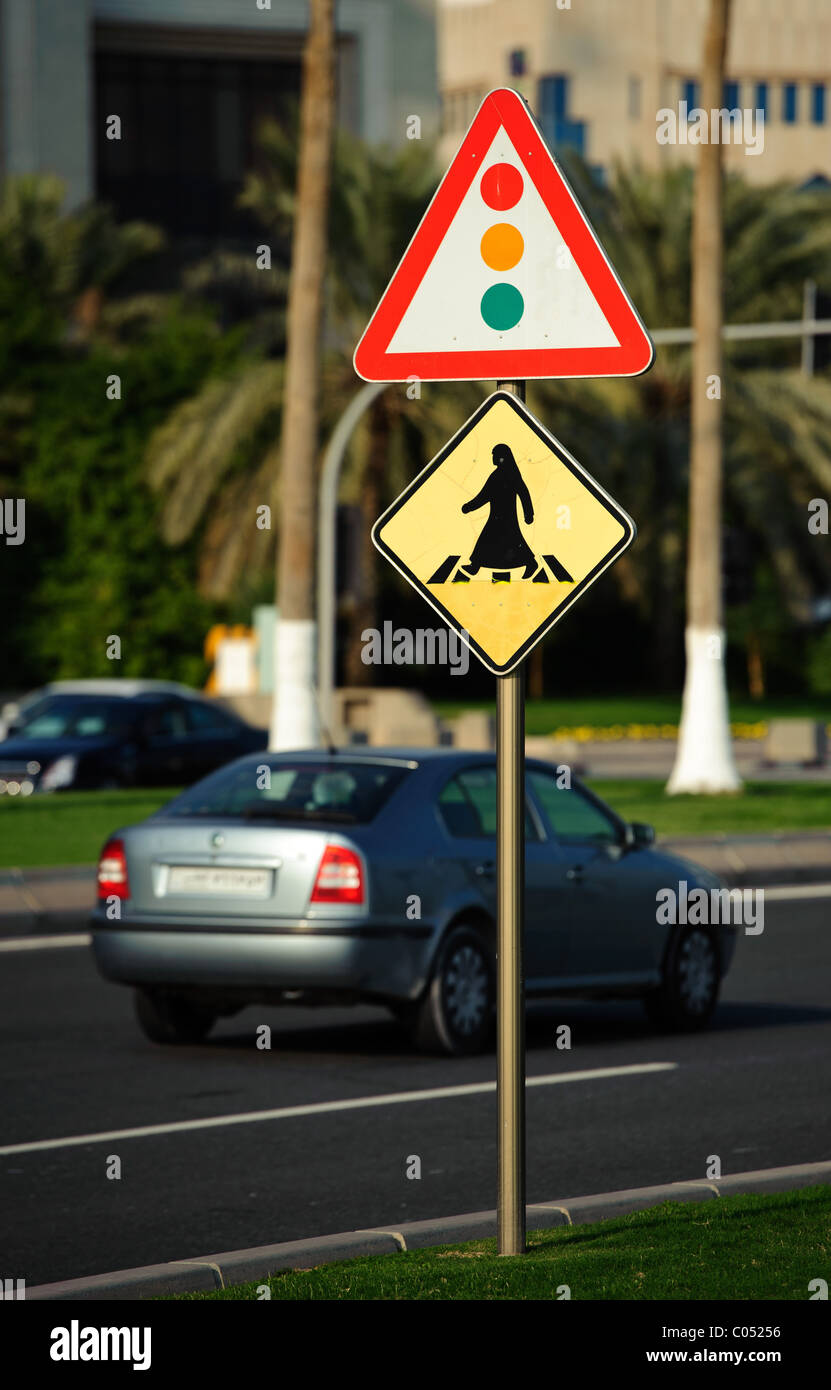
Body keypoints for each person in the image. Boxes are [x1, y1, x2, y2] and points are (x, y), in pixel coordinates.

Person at [461, 443, 537, 577]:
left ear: (502, 457)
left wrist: (529, 514)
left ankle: (531, 563)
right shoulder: (496, 475)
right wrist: (469, 507)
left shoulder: (511, 474)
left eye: (495, 455)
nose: (493, 458)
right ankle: (475, 565)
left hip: (507, 517)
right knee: (488, 539)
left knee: (513, 540)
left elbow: (523, 493)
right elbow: (484, 496)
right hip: (496, 516)